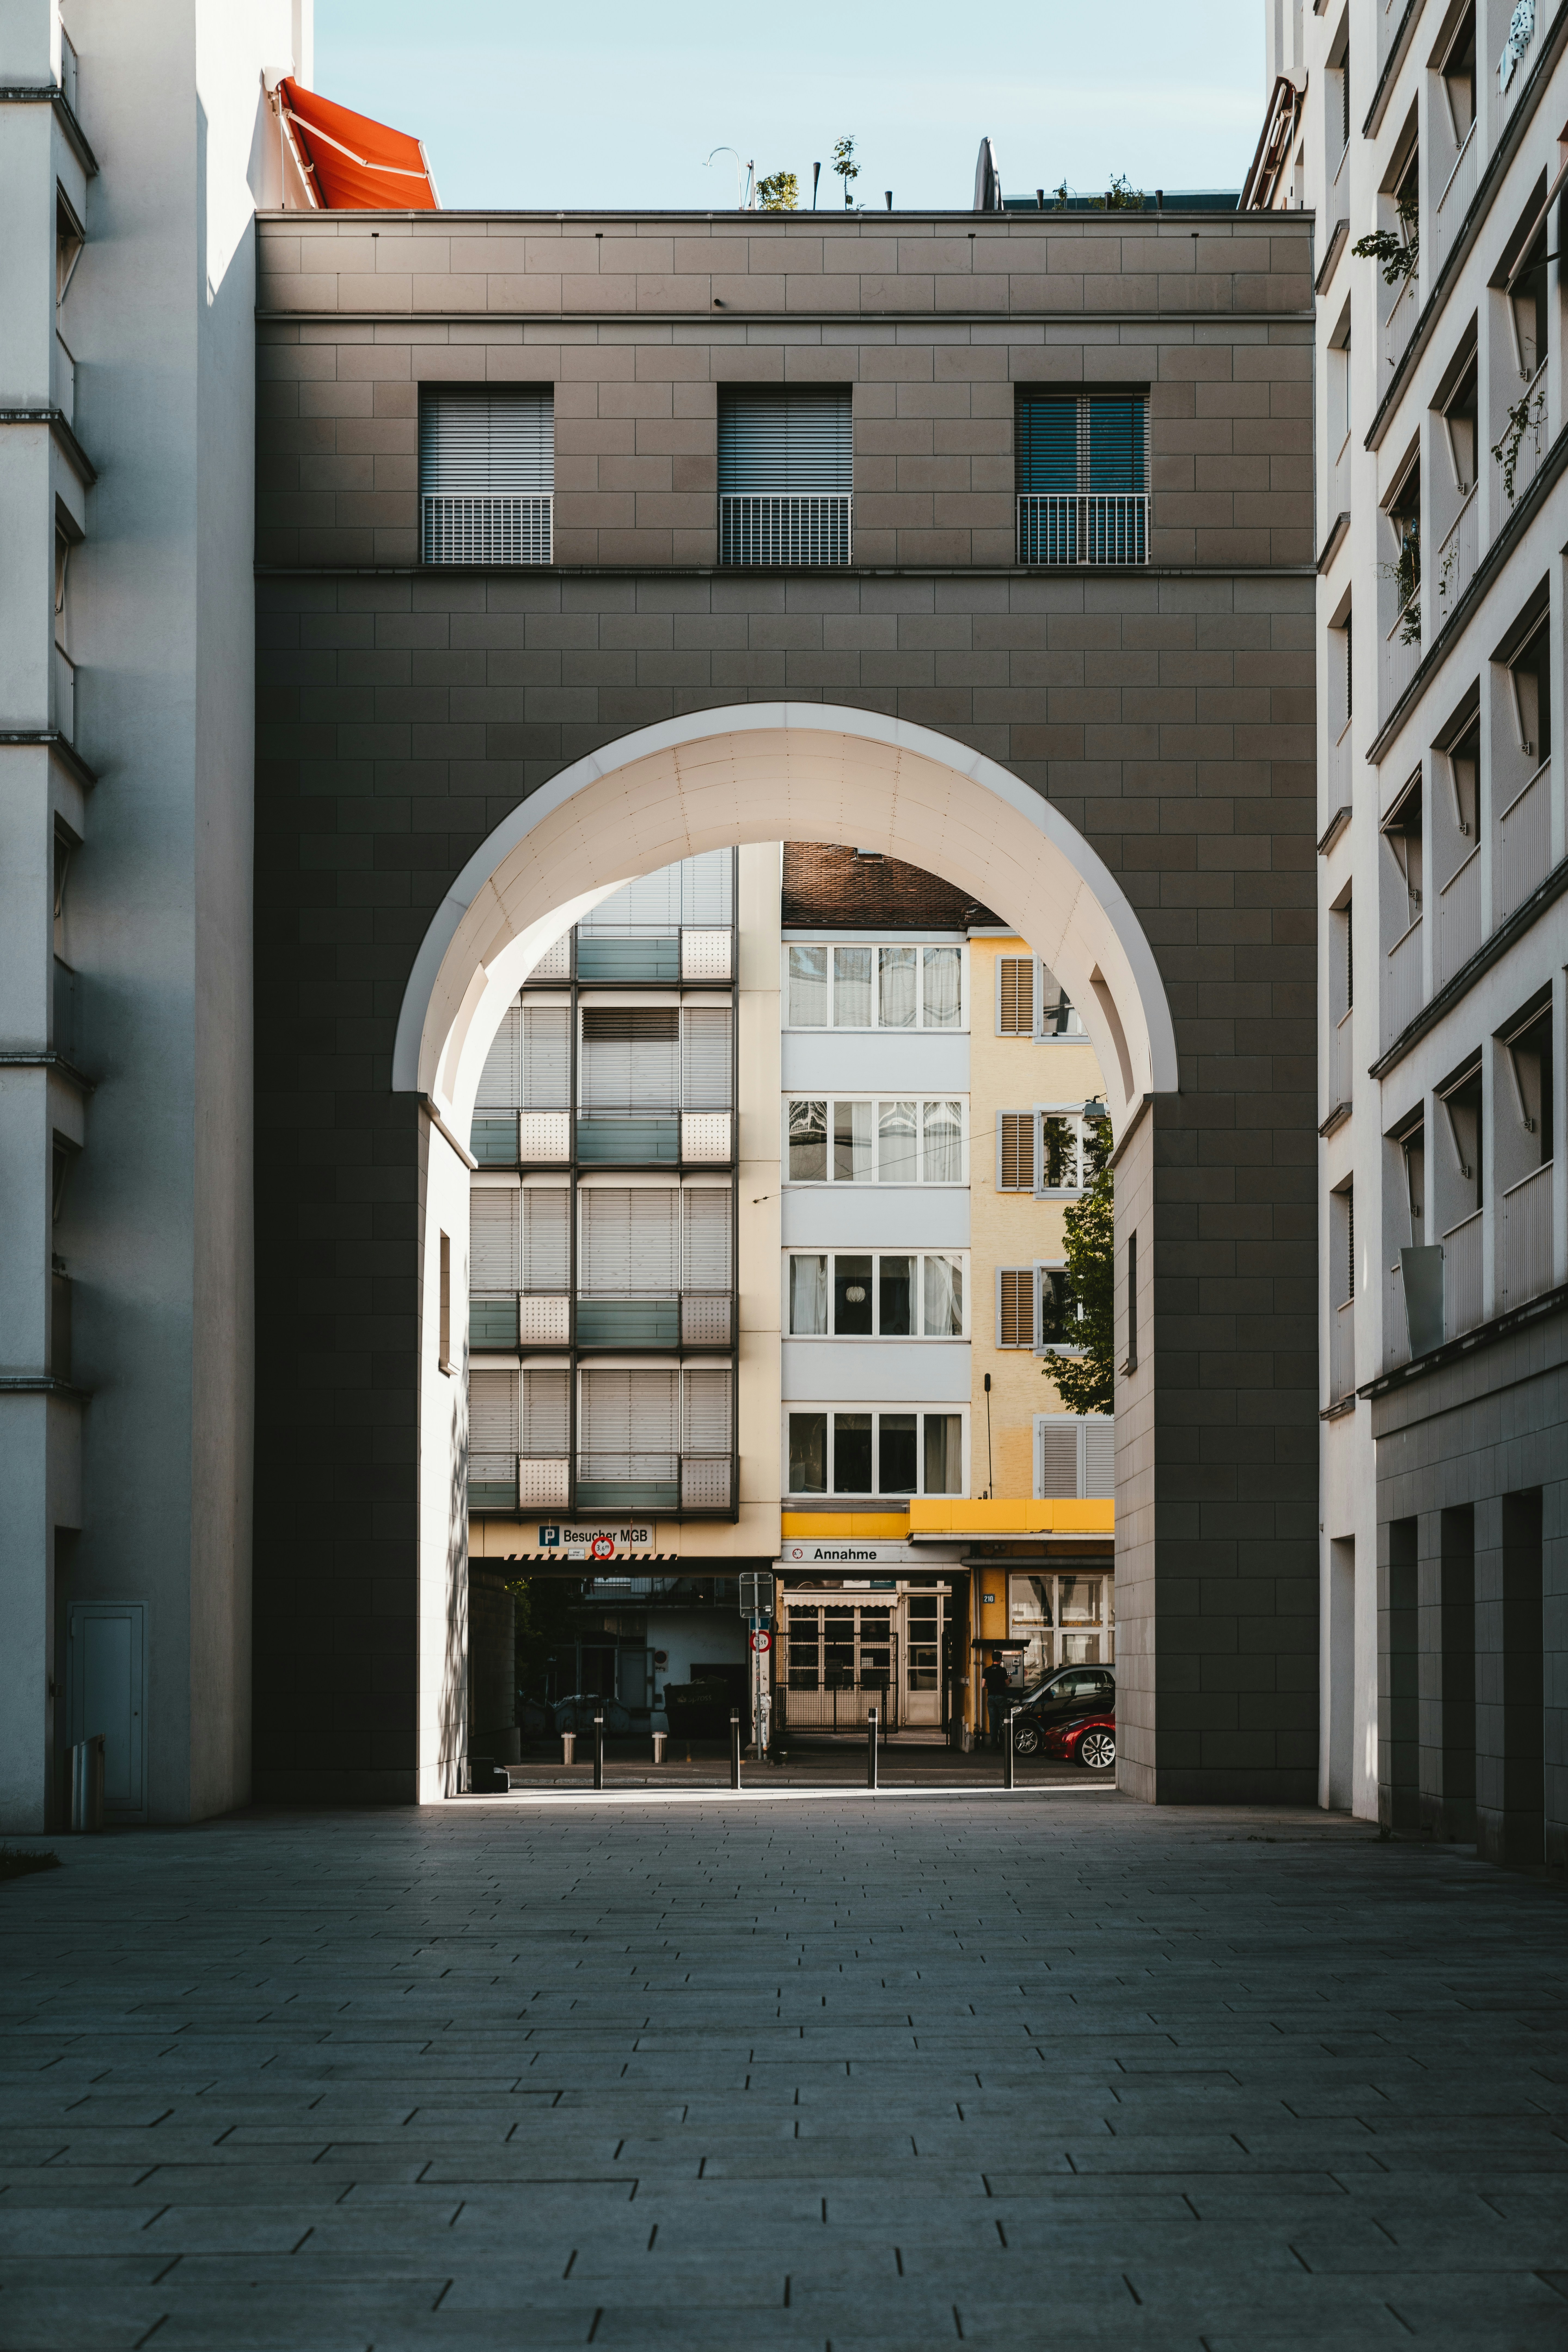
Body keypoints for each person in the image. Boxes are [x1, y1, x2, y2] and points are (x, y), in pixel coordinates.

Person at [981, 1657, 1011, 1748]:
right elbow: (1007, 1684)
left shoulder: (987, 1670)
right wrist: (1009, 1679)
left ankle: (994, 1744)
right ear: (1000, 1660)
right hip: (1001, 1698)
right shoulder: (1003, 1670)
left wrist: (990, 1687)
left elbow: (983, 1686)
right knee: (1003, 1720)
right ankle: (1003, 1743)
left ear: (992, 1659)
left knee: (993, 1722)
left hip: (991, 1698)